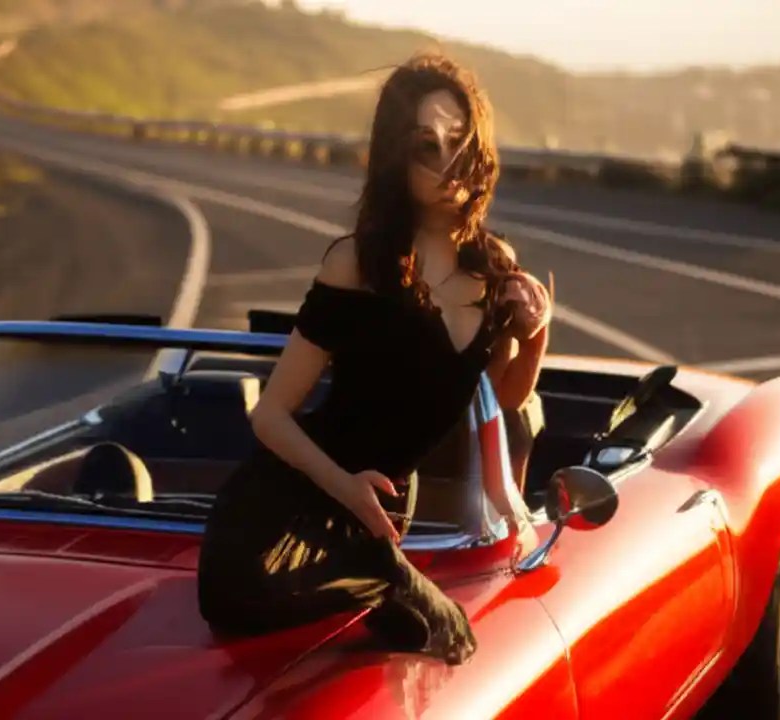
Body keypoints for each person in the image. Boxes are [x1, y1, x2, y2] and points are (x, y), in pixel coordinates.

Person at [196, 52, 552, 666]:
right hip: (292, 501)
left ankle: (384, 581)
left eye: (458, 141)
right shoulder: (356, 264)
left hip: (383, 513)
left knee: (418, 615)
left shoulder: (494, 266)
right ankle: (390, 585)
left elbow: (507, 396)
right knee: (229, 592)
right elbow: (272, 415)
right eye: (425, 146)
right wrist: (344, 484)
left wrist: (538, 331)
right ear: (396, 159)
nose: (448, 161)